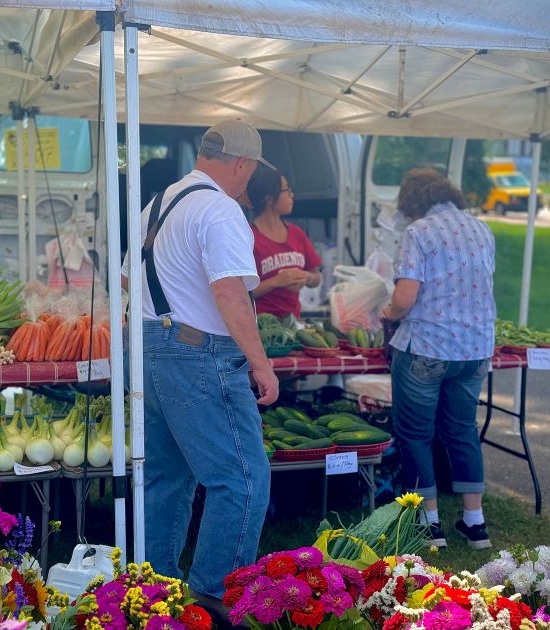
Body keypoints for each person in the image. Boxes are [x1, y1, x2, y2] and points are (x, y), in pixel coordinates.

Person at [120, 119, 279, 619]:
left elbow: (128, 280)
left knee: (167, 477)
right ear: (242, 164)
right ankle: (215, 599)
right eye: (251, 171)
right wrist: (261, 365)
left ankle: (154, 599)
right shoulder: (220, 209)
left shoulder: (158, 203)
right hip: (200, 352)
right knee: (243, 479)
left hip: (151, 347)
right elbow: (230, 291)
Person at [381, 168, 496, 550]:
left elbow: (404, 299)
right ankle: (474, 523)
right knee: (462, 430)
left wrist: (388, 313)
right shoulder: (482, 230)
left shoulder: (419, 233)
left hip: (428, 348)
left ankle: (430, 525)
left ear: (413, 202)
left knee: (416, 435)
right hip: (475, 350)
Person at [247, 167, 322, 319]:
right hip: (262, 325)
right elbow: (241, 293)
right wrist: (276, 282)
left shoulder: (297, 233)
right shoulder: (248, 237)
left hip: (292, 324)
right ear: (269, 198)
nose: (291, 195)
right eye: (287, 190)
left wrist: (306, 277)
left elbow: (316, 277)